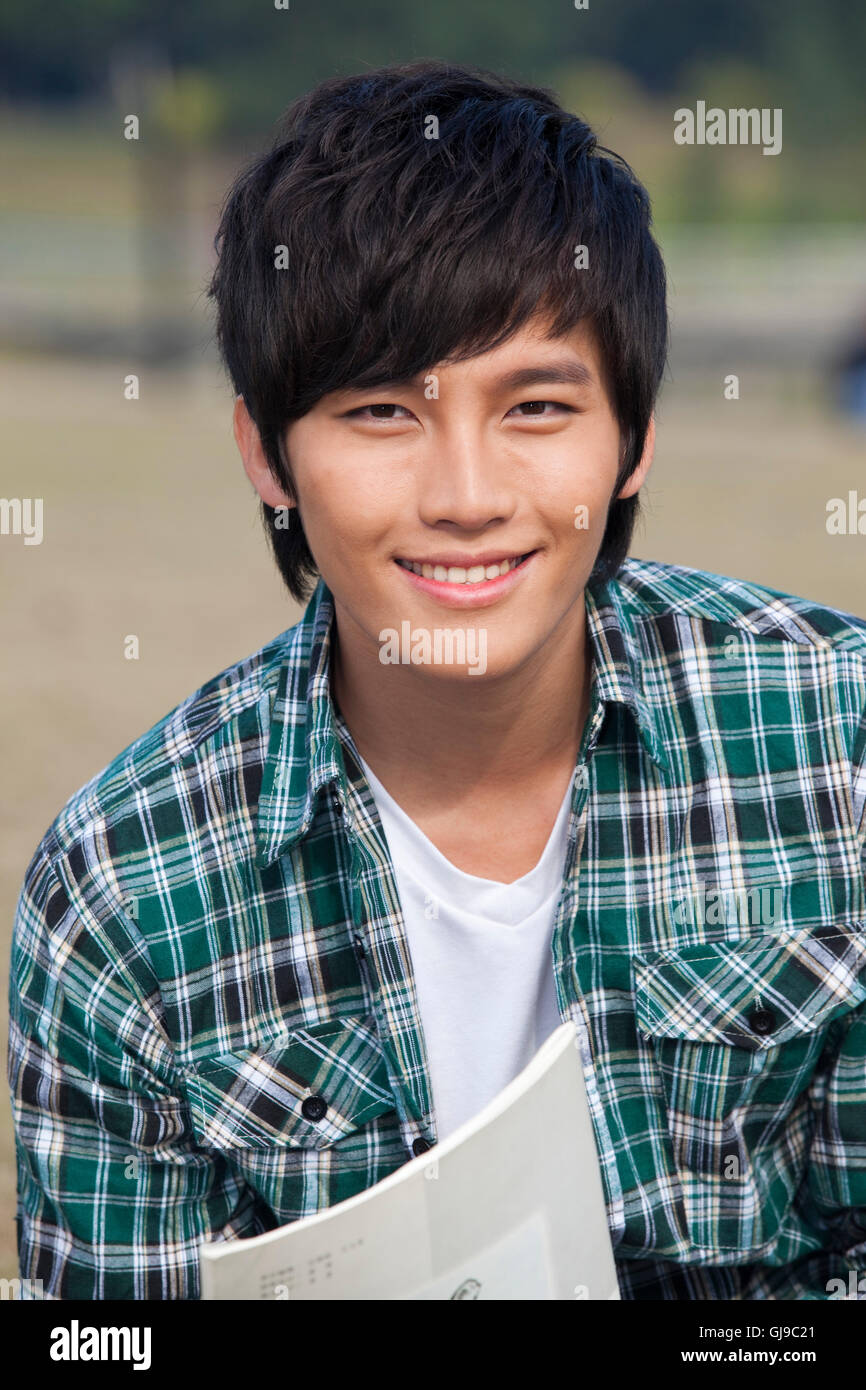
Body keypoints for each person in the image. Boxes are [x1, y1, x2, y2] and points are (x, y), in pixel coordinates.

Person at [9, 59, 866, 1301]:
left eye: (533, 407)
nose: (466, 498)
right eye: (378, 414)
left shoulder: (834, 738)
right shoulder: (122, 891)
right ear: (264, 451)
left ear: (631, 437)